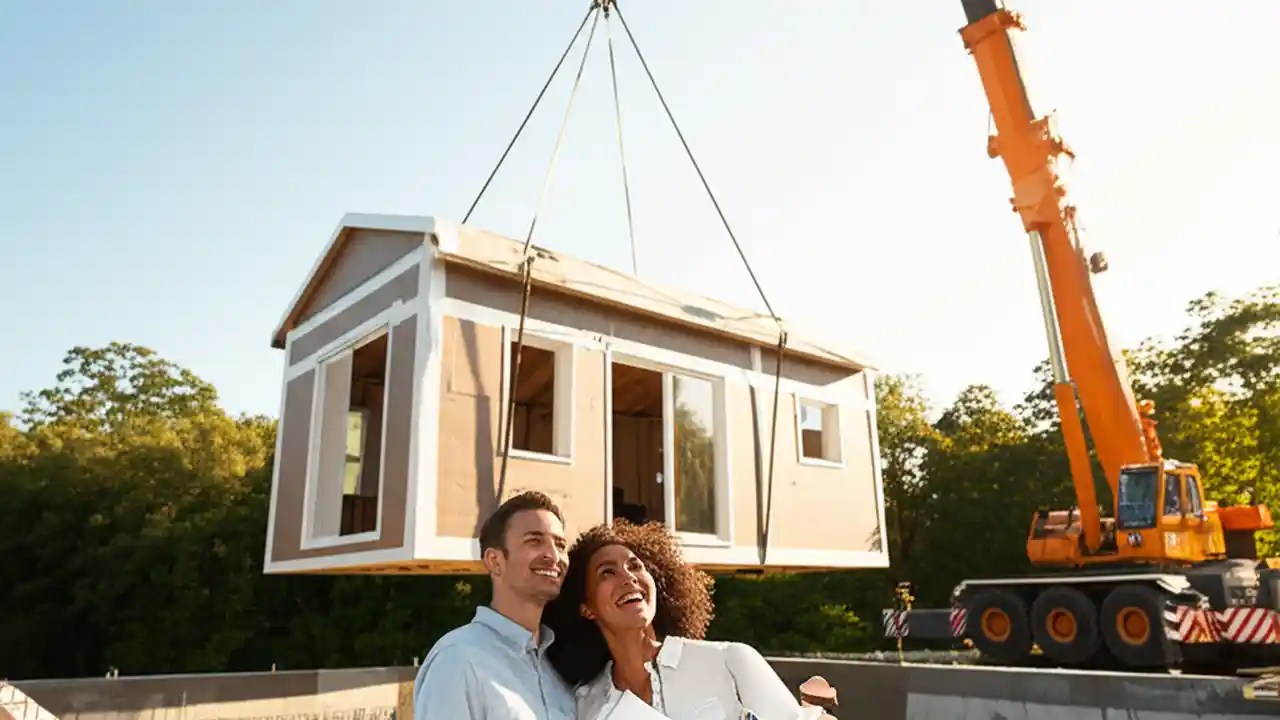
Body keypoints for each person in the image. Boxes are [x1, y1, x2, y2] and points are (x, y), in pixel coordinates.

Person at [543, 520, 828, 720]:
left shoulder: (729, 660)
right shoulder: (586, 704)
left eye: (635, 566)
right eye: (607, 572)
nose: (628, 577)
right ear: (586, 608)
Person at [413, 490, 576, 720]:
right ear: (494, 561)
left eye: (560, 545)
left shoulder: (561, 666)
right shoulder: (458, 659)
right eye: (534, 541)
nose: (553, 555)